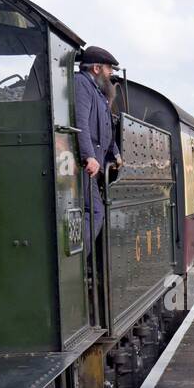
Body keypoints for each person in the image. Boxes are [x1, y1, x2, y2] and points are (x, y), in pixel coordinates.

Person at [73, 46, 122, 244]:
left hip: (94, 168)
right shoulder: (81, 84)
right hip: (84, 167)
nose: (111, 73)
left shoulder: (98, 93)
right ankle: (77, 263)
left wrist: (115, 153)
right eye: (109, 68)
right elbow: (80, 122)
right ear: (96, 68)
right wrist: (89, 156)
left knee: (96, 211)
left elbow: (106, 128)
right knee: (94, 212)